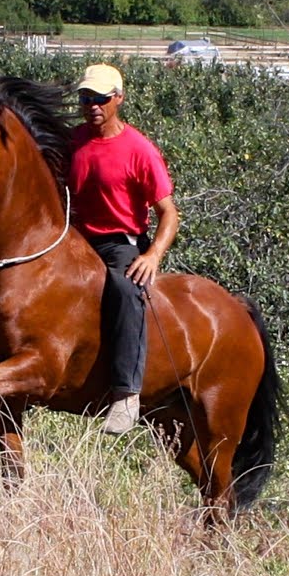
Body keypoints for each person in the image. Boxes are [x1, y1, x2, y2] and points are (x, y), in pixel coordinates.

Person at [69, 63, 179, 435]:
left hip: (120, 242)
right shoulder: (74, 141)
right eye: (85, 98)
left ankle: (127, 395)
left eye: (100, 99)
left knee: (125, 289)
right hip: (77, 237)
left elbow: (169, 214)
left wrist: (152, 256)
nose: (92, 106)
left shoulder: (139, 150)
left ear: (118, 98)